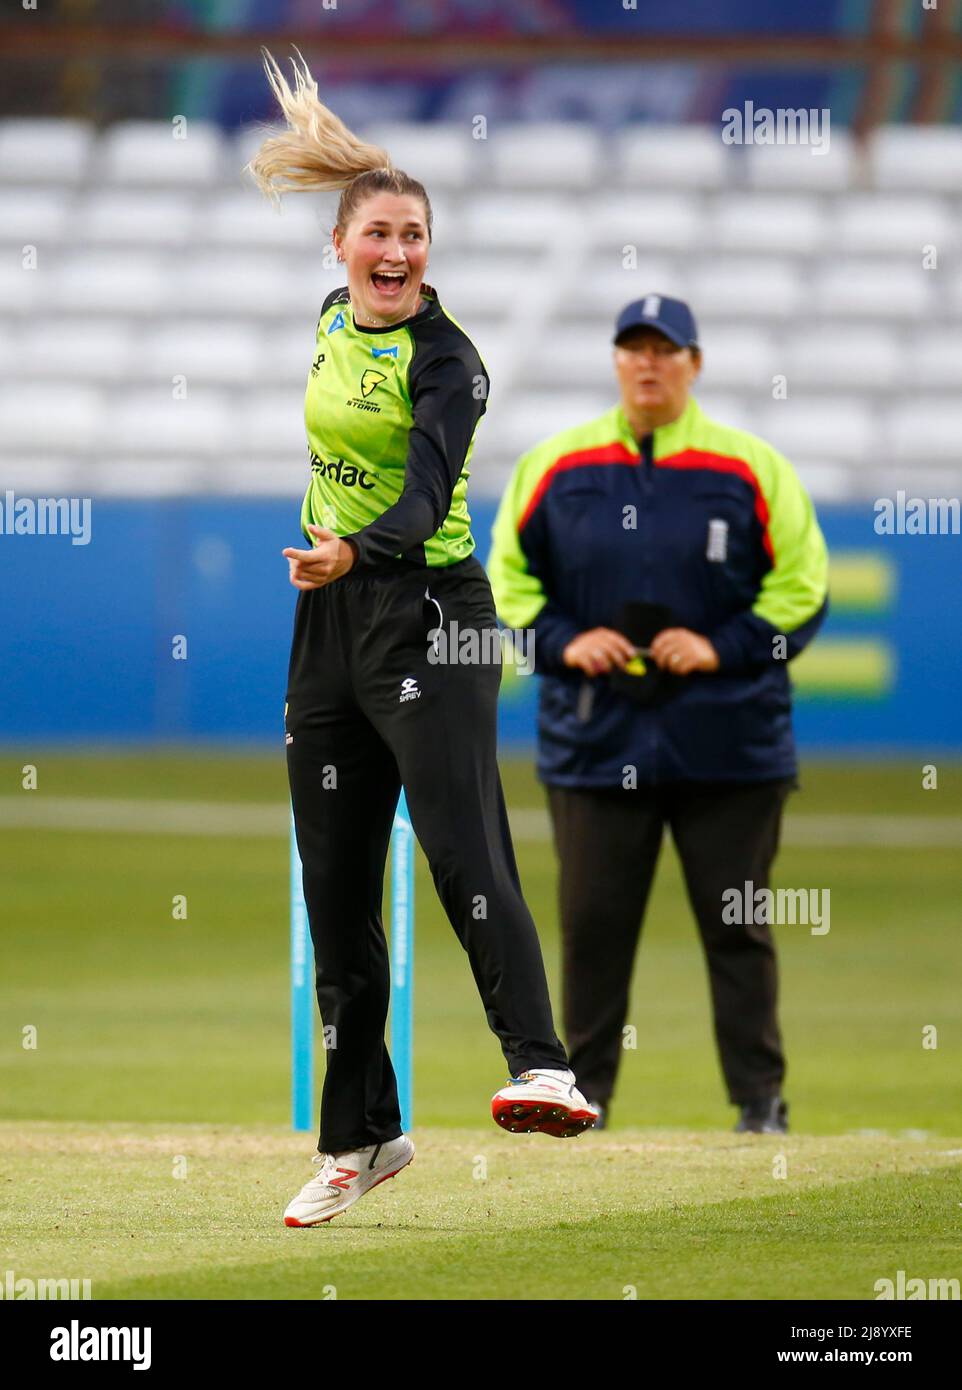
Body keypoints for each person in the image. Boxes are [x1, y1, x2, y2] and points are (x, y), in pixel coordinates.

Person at [247, 52, 596, 1228]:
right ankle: (361, 1137)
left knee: (460, 847)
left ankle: (542, 1062)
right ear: (340, 249)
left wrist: (354, 549)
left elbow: (422, 491)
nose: (397, 254)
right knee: (334, 893)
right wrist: (332, 569)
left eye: (414, 237)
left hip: (433, 611)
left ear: (429, 253)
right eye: (378, 234)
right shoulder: (330, 319)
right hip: (328, 623)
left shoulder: (451, 362)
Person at [488, 294, 829, 1135]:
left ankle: (761, 1106)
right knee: (593, 934)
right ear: (615, 362)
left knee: (739, 932)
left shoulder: (752, 467)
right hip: (596, 743)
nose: (649, 363)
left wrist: (723, 645)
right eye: (633, 349)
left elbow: (804, 587)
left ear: (695, 363)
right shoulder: (555, 468)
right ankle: (581, 1103)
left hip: (730, 746)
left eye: (666, 350)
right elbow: (503, 583)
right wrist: (568, 641)